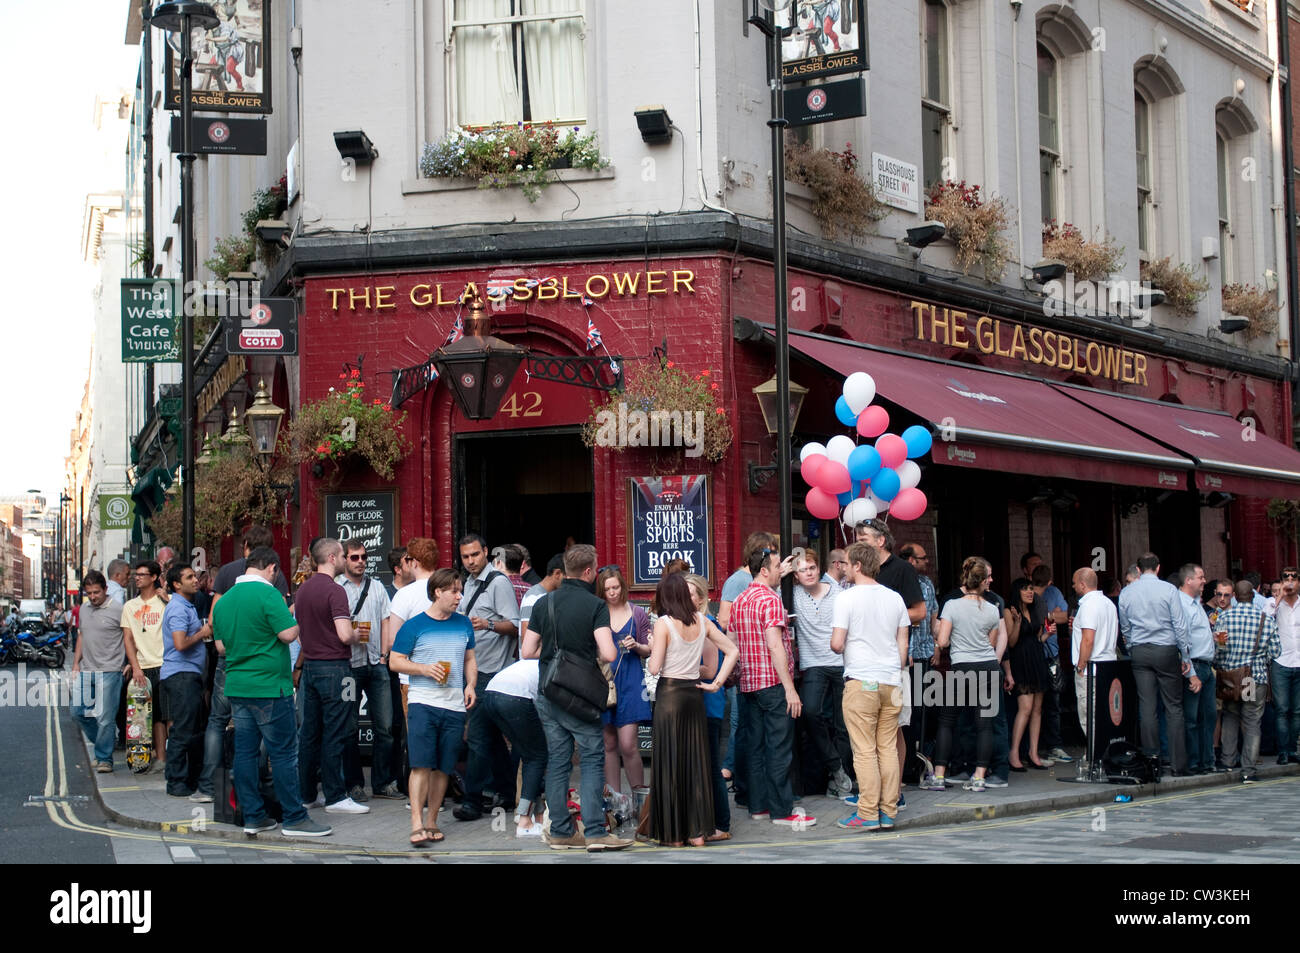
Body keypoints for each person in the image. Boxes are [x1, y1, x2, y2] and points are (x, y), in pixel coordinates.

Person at [213, 547, 331, 837]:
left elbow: (220, 647)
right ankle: (294, 818)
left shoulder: (225, 601)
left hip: (238, 686)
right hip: (269, 686)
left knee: (245, 753)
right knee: (284, 754)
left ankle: (253, 816)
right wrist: (299, 617)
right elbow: (289, 634)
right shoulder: (269, 595)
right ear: (272, 569)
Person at [523, 543, 632, 852]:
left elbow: (527, 650)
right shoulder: (595, 606)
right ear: (588, 571)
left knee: (558, 761)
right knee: (593, 757)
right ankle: (596, 832)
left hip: (549, 691)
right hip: (580, 696)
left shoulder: (544, 603)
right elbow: (610, 652)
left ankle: (560, 831)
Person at [194, 526, 290, 804]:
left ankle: (209, 787)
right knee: (267, 737)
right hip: (265, 671)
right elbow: (283, 622)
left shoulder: (226, 573)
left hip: (230, 662)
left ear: (245, 544)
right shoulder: (274, 578)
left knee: (217, 721)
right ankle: (270, 792)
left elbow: (215, 620)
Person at [646, 572, 737, 846]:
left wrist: (652, 647)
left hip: (670, 696)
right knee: (696, 764)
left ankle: (674, 836)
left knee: (671, 764)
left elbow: (654, 667)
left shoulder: (663, 624)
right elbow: (732, 651)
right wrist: (717, 683)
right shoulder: (702, 621)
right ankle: (698, 833)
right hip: (695, 696)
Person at [388, 568, 477, 846]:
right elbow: (395, 661)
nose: (459, 596)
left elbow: (470, 660)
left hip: (454, 705)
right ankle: (416, 823)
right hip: (423, 702)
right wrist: (424, 669)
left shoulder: (464, 624)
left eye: (460, 591)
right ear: (438, 592)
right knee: (421, 765)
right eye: (454, 591)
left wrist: (470, 685)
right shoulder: (414, 626)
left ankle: (432, 821)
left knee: (443, 768)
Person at [732, 543, 814, 827]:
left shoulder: (741, 599)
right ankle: (782, 811)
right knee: (779, 747)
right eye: (778, 567)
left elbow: (732, 641)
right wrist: (790, 688)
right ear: (765, 571)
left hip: (749, 683)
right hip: (772, 682)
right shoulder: (770, 600)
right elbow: (776, 646)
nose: (782, 571)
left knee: (755, 747)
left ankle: (759, 807)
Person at [830, 541, 910, 831]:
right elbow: (903, 646)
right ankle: (888, 812)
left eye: (847, 563)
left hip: (861, 680)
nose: (843, 567)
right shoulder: (895, 598)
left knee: (864, 750)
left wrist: (838, 644)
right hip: (892, 680)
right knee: (887, 748)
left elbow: (837, 643)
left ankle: (866, 813)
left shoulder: (846, 598)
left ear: (858, 566)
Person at [294, 538, 368, 815]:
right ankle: (337, 796)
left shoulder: (302, 591)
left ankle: (307, 794)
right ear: (333, 558)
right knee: (337, 730)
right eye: (342, 555)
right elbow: (343, 634)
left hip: (311, 668)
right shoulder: (336, 591)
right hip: (338, 669)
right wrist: (356, 634)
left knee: (310, 733)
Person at [924, 557, 1006, 792]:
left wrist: (943, 632)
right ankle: (979, 777)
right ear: (981, 582)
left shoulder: (952, 605)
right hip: (989, 667)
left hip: (962, 667)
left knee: (947, 721)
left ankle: (939, 776)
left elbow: (942, 641)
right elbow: (991, 643)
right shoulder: (992, 609)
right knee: (985, 724)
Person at [454, 534, 521, 821]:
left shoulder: (499, 582)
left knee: (478, 737)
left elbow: (516, 625)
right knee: (492, 738)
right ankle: (506, 793)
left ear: (485, 553)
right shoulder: (466, 583)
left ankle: (472, 798)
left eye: (475, 555)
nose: (470, 561)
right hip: (472, 669)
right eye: (465, 557)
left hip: (492, 671)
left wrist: (489, 624)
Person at [1118, 552, 1197, 777]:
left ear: (1139, 570)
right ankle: (1178, 765)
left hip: (1141, 651)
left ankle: (1152, 762)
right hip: (1166, 649)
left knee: (1147, 707)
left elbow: (1125, 627)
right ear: (1159, 568)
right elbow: (1179, 626)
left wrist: (1133, 647)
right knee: (1173, 707)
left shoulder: (1127, 592)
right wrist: (1186, 657)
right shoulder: (1169, 590)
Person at [717, 531, 777, 804]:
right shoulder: (737, 581)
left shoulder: (764, 585)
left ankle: (742, 779)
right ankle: (733, 772)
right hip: (744, 661)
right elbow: (725, 620)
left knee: (748, 724)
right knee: (741, 721)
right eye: (771, 550)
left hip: (756, 663)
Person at [337, 540, 398, 801]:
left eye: (363, 556)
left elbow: (386, 621)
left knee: (385, 726)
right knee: (349, 727)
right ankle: (354, 784)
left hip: (375, 663)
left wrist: (384, 656)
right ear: (345, 560)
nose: (360, 561)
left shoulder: (377, 588)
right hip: (349, 665)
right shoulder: (337, 588)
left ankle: (382, 783)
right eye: (354, 557)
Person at [792, 551, 853, 798]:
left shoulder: (839, 594)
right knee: (810, 711)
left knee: (844, 724)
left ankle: (839, 781)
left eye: (812, 567)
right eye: (803, 570)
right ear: (795, 575)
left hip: (841, 662)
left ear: (820, 569)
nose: (809, 573)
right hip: (813, 663)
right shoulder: (791, 594)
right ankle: (836, 767)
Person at [1215, 580, 1281, 783]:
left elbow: (1219, 649)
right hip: (1253, 678)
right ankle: (1248, 770)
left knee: (1231, 716)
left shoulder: (1224, 617)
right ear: (1253, 597)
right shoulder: (1265, 619)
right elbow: (1276, 651)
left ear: (1234, 596)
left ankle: (1227, 762)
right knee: (1252, 722)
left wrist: (1223, 662)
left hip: (1230, 677)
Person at [684, 573, 733, 842]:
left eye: (691, 593)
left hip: (708, 704)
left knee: (712, 765)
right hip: (695, 704)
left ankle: (722, 824)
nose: (686, 597)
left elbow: (712, 667)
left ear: (701, 599)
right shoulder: (686, 624)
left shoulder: (708, 624)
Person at [595, 566, 652, 797]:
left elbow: (650, 650)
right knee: (609, 744)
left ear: (623, 586)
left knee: (628, 744)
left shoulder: (637, 613)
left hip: (630, 680)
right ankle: (616, 802)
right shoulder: (597, 613)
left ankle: (640, 799)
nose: (612, 592)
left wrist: (636, 646)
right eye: (607, 588)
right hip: (603, 680)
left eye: (616, 587)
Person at [480, 657, 548, 836]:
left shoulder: (532, 663)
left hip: (490, 694)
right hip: (516, 697)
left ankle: (538, 816)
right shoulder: (555, 665)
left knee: (529, 757)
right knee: (538, 757)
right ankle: (524, 820)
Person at [160, 565, 211, 797]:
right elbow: (180, 644)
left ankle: (188, 778)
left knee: (193, 729)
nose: (195, 580)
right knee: (183, 730)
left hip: (188, 675)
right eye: (189, 577)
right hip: (181, 675)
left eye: (195, 576)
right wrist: (203, 632)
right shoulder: (178, 609)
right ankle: (177, 782)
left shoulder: (185, 606)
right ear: (176, 584)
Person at [71, 571, 126, 773]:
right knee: (77, 712)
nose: (93, 597)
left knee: (105, 717)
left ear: (105, 589)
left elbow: (129, 638)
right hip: (86, 670)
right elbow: (82, 637)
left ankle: (104, 759)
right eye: (89, 593)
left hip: (110, 670)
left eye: (96, 592)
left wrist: (129, 663)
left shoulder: (118, 610)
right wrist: (76, 663)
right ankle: (105, 741)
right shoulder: (84, 609)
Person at [121, 560, 169, 771]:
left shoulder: (165, 603)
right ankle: (158, 758)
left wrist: (168, 600)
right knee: (149, 718)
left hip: (166, 665)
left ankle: (171, 759)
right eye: (135, 574)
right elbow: (128, 639)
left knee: (168, 715)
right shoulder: (130, 607)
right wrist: (135, 666)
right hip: (143, 668)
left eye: (142, 574)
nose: (137, 577)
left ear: (154, 577)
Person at [1026, 560, 1073, 764]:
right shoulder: (1027, 594)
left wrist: (1047, 616)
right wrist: (1051, 616)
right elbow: (1053, 618)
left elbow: (1065, 617)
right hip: (1035, 654)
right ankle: (1030, 748)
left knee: (1052, 701)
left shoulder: (1054, 592)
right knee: (1032, 705)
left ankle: (1054, 744)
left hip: (1051, 653)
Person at [1069, 568, 1118, 761]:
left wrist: (1081, 666)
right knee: (1104, 716)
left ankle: (1096, 756)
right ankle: (1102, 754)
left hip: (1091, 670)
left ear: (1082, 584)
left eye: (1074, 583)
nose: (1073, 587)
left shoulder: (1088, 606)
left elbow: (1088, 639)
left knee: (1089, 716)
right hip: (1108, 667)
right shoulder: (1108, 603)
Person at [1004, 578, 1050, 771]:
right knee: (1025, 708)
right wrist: (1016, 622)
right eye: (1025, 589)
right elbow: (1011, 642)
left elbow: (1038, 638)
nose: (1030, 592)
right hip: (1020, 661)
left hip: (1037, 658)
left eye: (1031, 588)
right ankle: (1014, 752)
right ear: (1017, 591)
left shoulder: (1033, 610)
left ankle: (1033, 752)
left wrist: (1048, 633)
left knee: (1037, 709)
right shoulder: (1009, 611)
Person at [1175, 564, 1217, 775]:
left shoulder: (1195, 603)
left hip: (1206, 666)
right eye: (1201, 577)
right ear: (1188, 580)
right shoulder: (1181, 604)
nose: (1204, 580)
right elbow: (1182, 641)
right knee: (1191, 719)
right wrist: (1191, 674)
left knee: (1208, 717)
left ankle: (1206, 762)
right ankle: (1192, 763)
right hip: (1195, 666)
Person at [1272, 567, 1300, 764]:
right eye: (1285, 577)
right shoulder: (1272, 605)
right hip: (1281, 663)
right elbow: (1264, 620)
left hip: (1299, 663)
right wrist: (1279, 597)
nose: (1290, 580)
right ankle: (1282, 751)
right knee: (1282, 709)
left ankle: (1292, 750)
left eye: (1294, 577)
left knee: (1297, 711)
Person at [518, 554, 564, 641]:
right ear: (557, 573)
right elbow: (527, 640)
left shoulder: (545, 595)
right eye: (567, 577)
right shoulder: (534, 597)